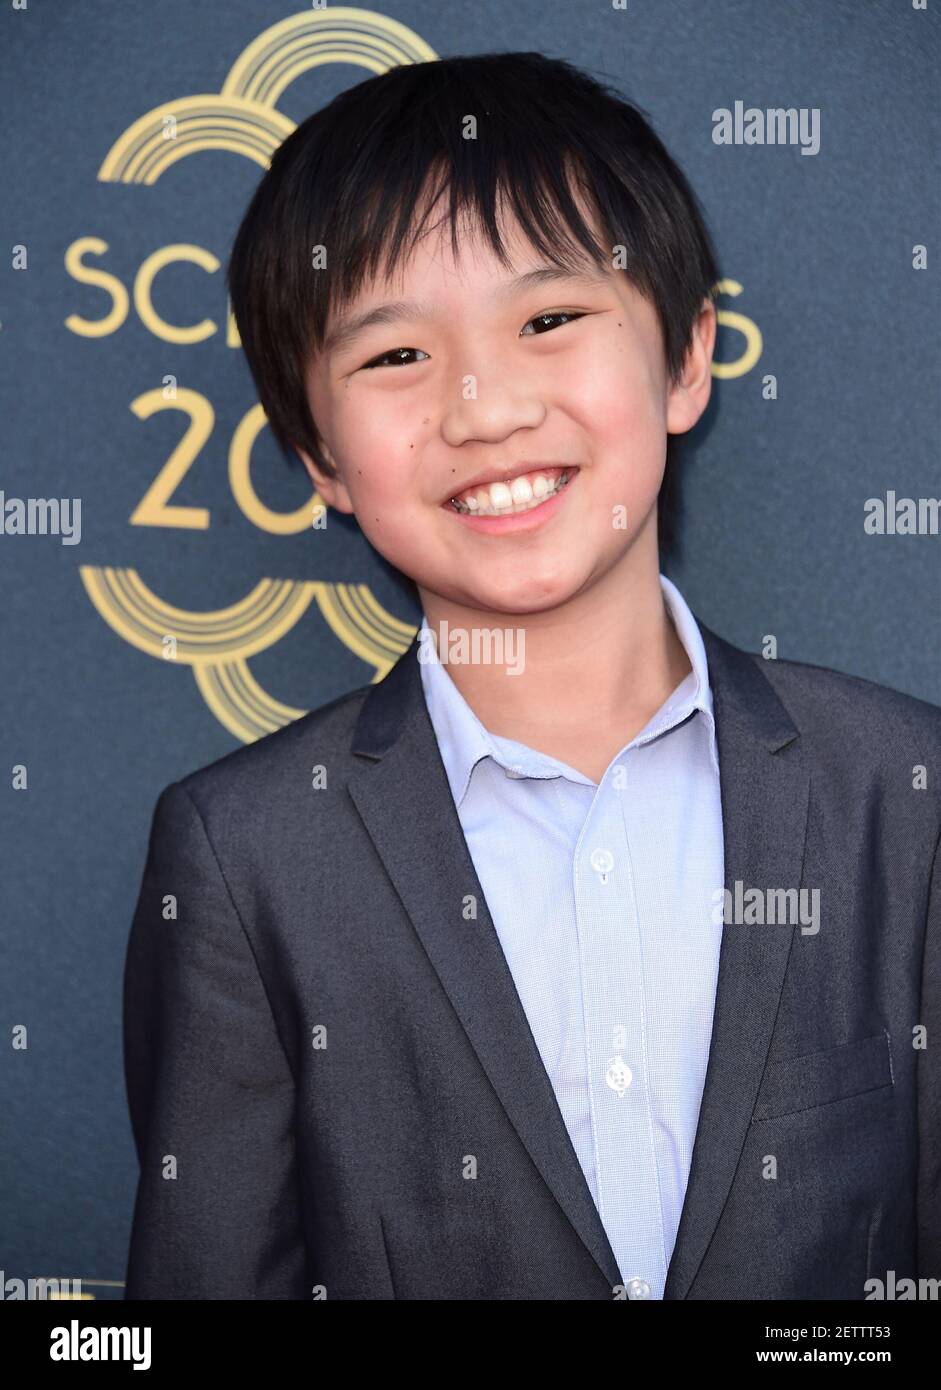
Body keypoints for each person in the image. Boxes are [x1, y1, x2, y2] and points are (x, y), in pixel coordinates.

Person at [123, 52, 941, 1300]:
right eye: (393, 356)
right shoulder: (245, 856)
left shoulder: (902, 795)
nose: (483, 406)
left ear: (683, 361)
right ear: (318, 459)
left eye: (548, 320)